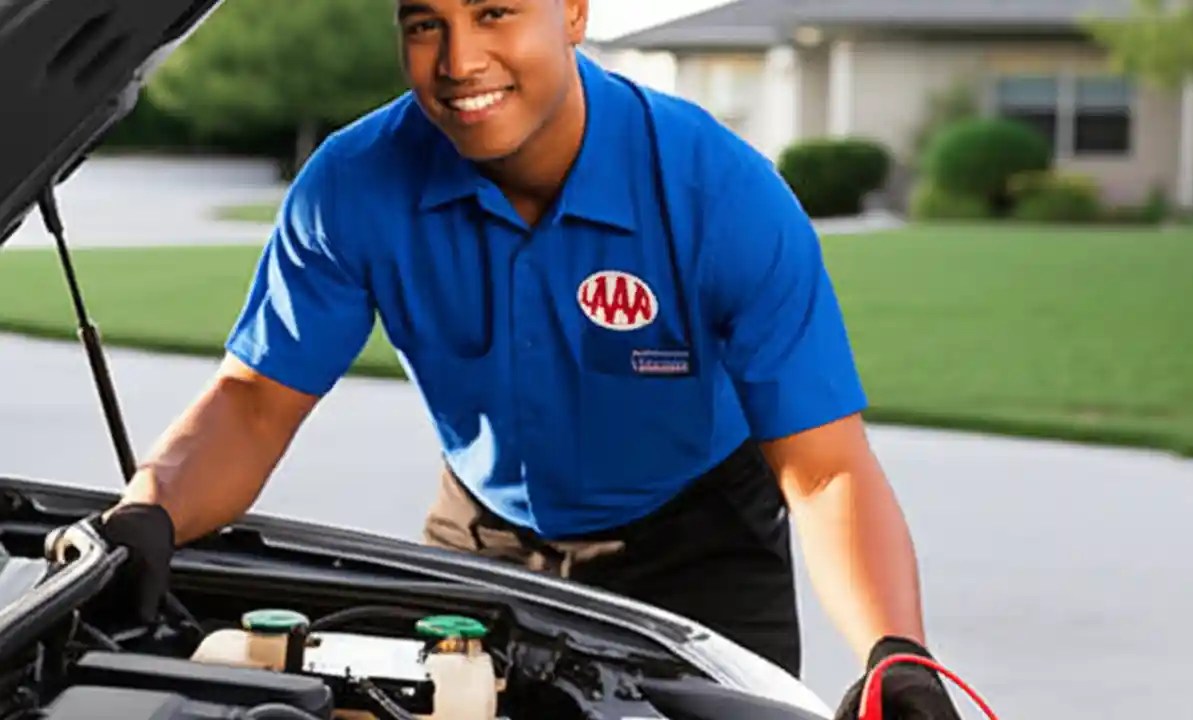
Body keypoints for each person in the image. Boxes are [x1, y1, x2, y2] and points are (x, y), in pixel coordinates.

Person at [92, 0, 964, 717]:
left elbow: (822, 471)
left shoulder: (720, 194)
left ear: (575, 14)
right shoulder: (352, 185)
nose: (458, 60)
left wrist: (897, 651)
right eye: (424, 23)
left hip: (704, 544)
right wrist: (150, 510)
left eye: (494, 13)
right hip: (482, 534)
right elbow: (254, 401)